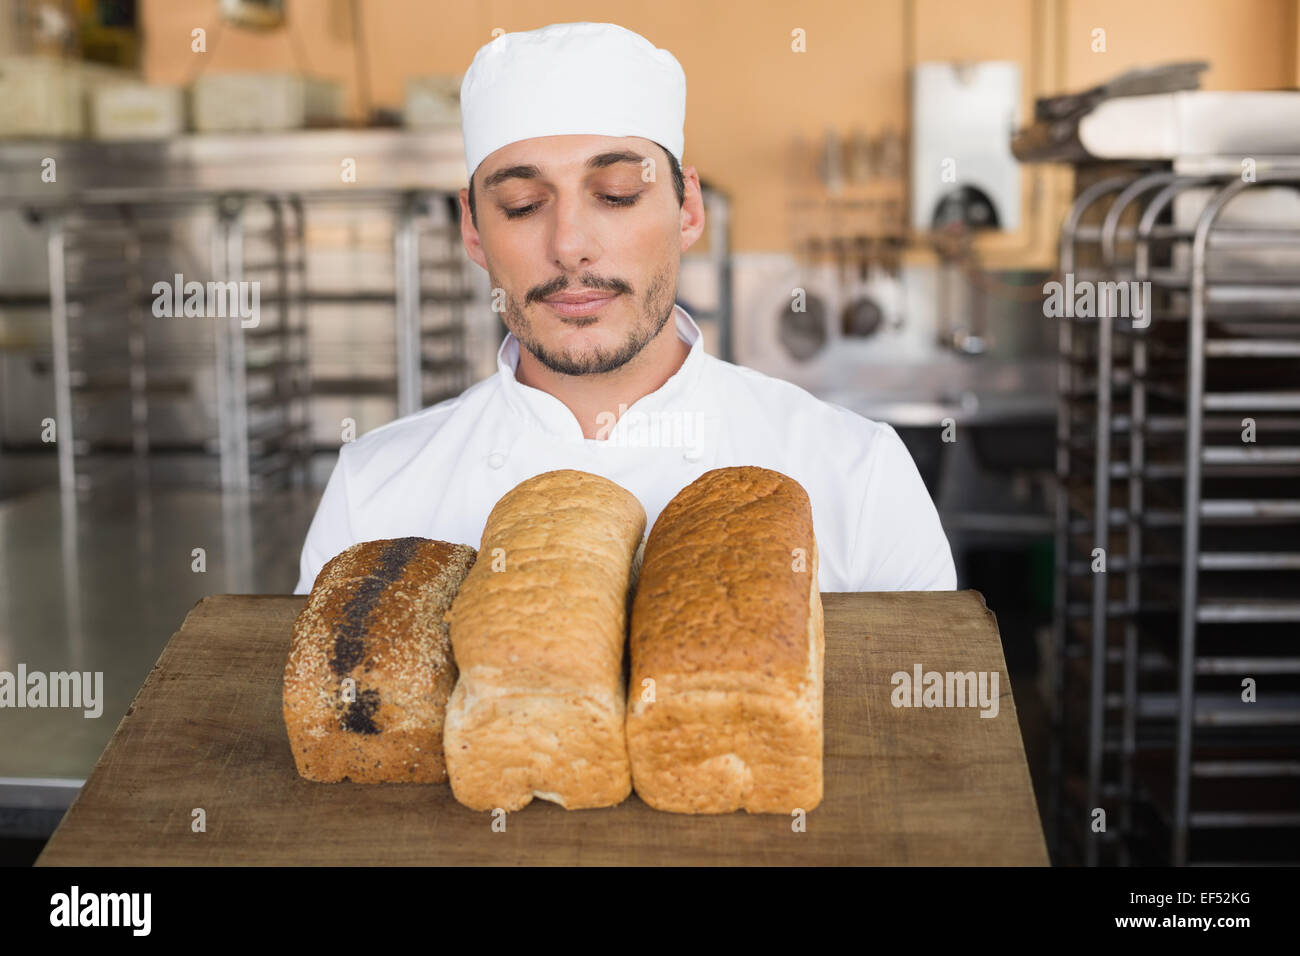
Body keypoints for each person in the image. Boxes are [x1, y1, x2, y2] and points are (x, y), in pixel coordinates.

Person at [294, 21, 955, 595]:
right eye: (523, 204)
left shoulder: (857, 474)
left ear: (687, 208)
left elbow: (925, 739)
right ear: (472, 229)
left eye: (615, 193)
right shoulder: (373, 493)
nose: (570, 245)